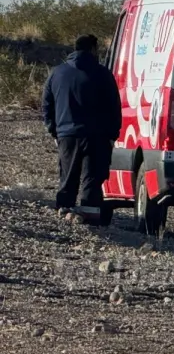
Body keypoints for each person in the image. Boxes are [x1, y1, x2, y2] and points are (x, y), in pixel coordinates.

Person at [41, 34, 122, 223]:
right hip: (97, 136)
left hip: (67, 134)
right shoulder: (103, 74)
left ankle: (64, 210)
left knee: (68, 175)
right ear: (93, 49)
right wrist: (112, 134)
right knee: (92, 178)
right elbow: (114, 106)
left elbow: (46, 104)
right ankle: (89, 213)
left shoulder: (57, 73)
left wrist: (53, 130)